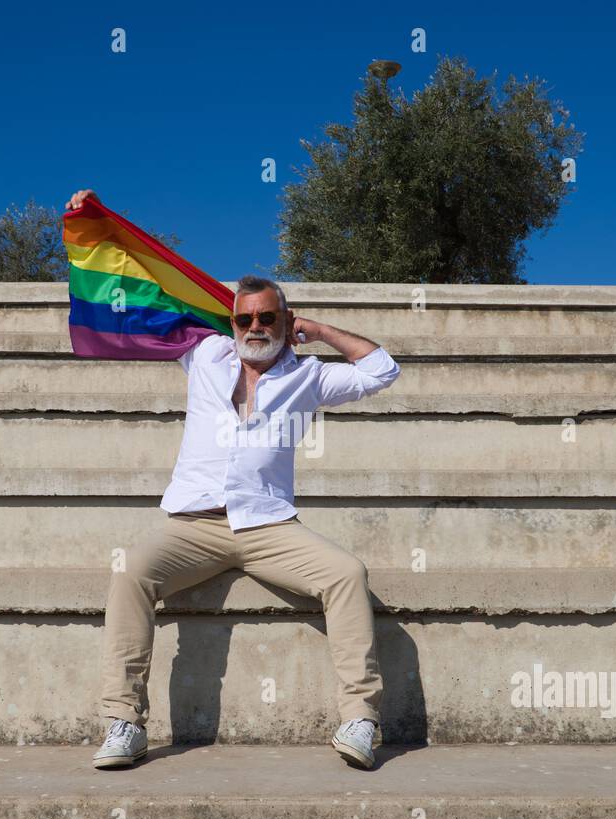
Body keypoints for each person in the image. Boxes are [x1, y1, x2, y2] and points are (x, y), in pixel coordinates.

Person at [65, 188, 401, 770]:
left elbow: (382, 368)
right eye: (245, 317)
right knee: (130, 574)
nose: (255, 326)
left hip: (269, 525)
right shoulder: (203, 355)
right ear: (231, 321)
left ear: (284, 321)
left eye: (268, 317)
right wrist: (100, 221)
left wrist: (319, 330)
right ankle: (123, 723)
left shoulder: (309, 377)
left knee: (347, 573)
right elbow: (150, 277)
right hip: (192, 525)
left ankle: (360, 720)